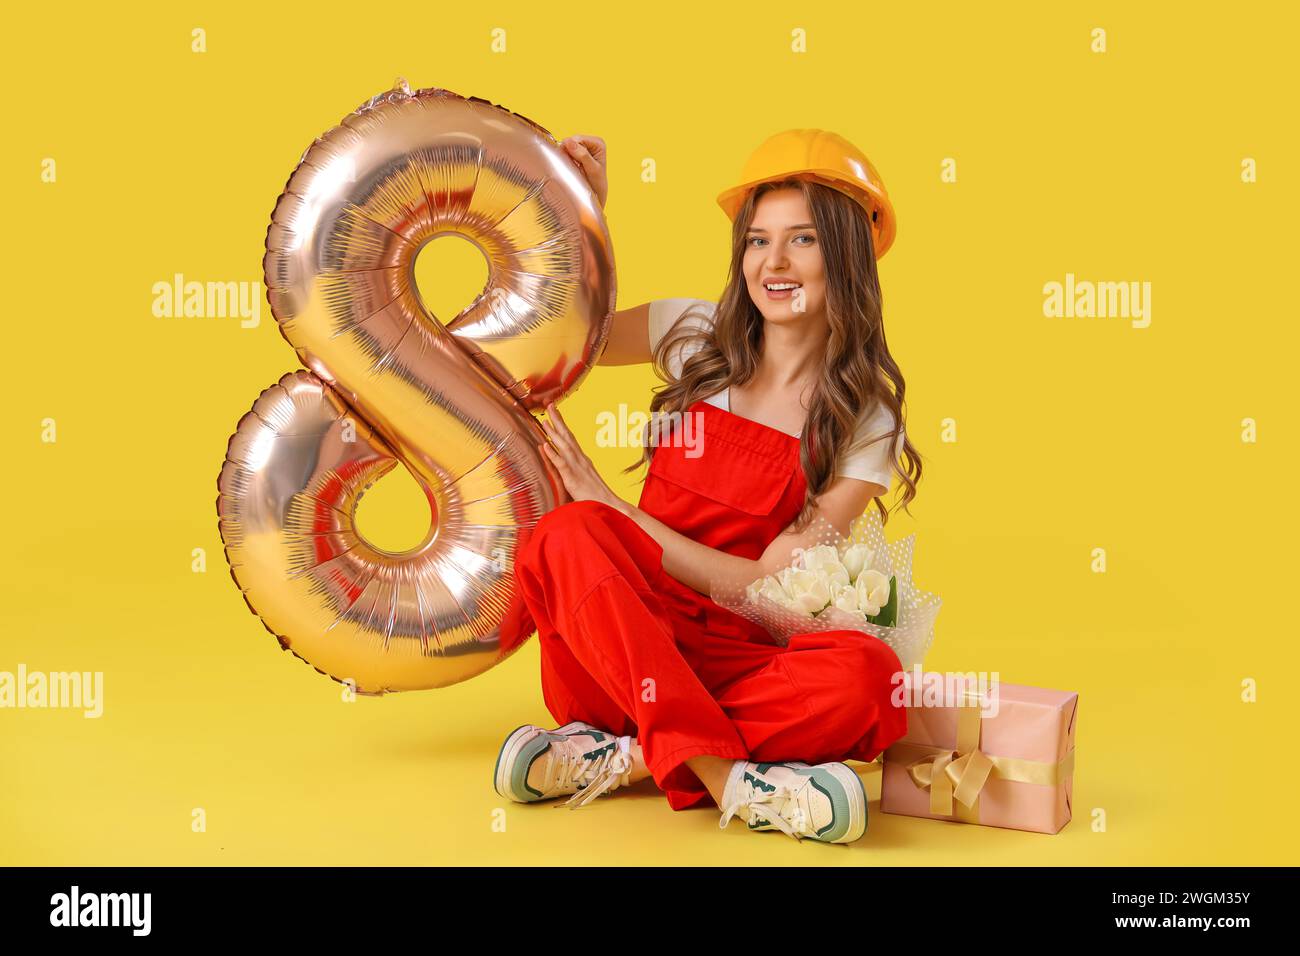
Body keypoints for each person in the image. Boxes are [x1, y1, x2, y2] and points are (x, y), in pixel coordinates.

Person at [493, 130, 923, 844]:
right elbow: (560, 332)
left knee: (871, 676)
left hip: (737, 656)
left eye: (802, 240)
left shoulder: (864, 420)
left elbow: (758, 586)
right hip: (619, 641)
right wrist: (584, 217)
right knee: (563, 536)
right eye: (757, 241)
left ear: (846, 256)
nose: (774, 263)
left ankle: (625, 758)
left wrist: (616, 508)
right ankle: (734, 781)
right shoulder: (694, 332)